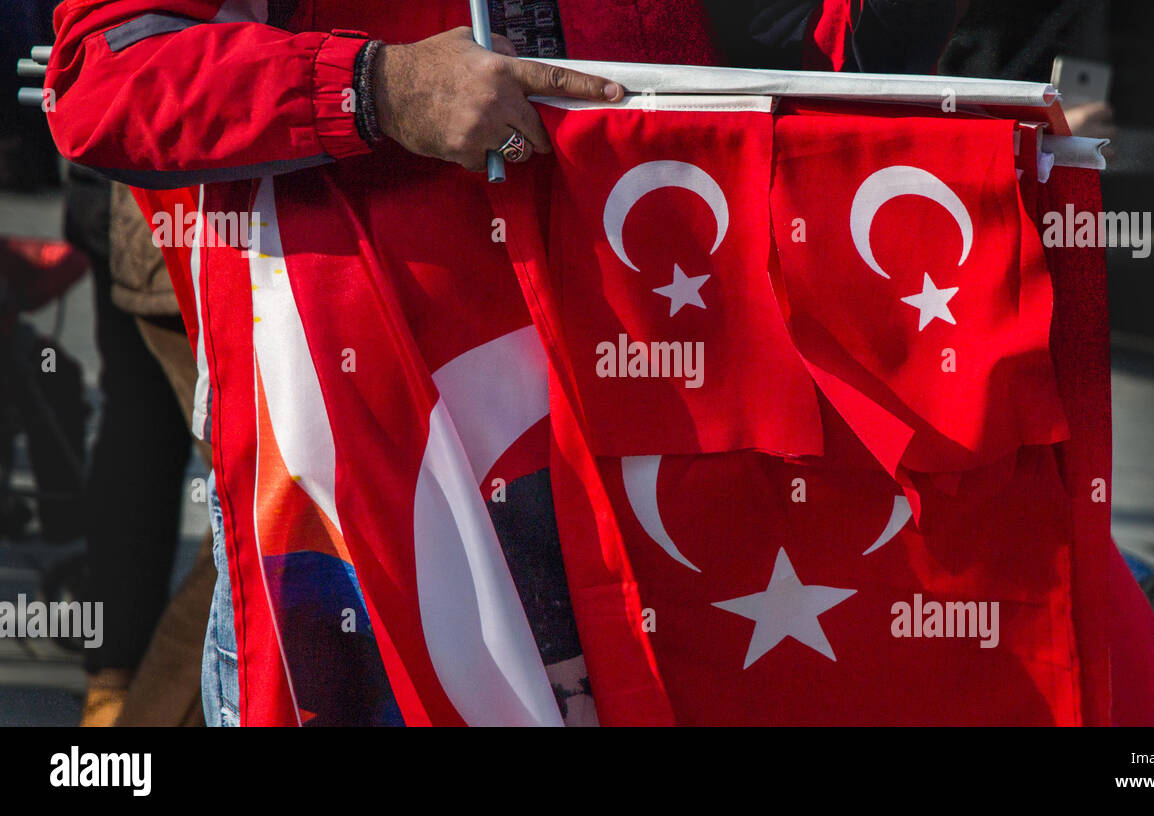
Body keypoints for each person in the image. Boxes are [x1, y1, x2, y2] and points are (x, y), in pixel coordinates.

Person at [45, 0, 1022, 726]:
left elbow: (796, 52)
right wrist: (377, 87)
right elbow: (108, 76)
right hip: (377, 438)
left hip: (659, 439)